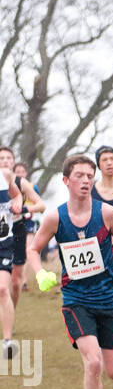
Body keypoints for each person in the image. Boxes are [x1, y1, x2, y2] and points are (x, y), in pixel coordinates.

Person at [30, 155, 113, 389]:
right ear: (66, 181)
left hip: (109, 298)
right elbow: (35, 249)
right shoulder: (55, 217)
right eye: (80, 176)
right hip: (76, 299)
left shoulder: (108, 213)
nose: (85, 181)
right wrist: (40, 274)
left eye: (89, 176)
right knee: (93, 362)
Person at [7, 157, 46, 306]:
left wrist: (26, 210)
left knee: (29, 248)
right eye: (18, 172)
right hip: (9, 224)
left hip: (26, 222)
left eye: (23, 172)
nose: (21, 174)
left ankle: (23, 280)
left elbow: (40, 205)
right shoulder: (7, 184)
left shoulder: (30, 186)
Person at [0, 150, 24, 360]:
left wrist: (17, 202)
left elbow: (17, 195)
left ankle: (7, 341)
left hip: (3, 243)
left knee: (2, 289)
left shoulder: (5, 176)